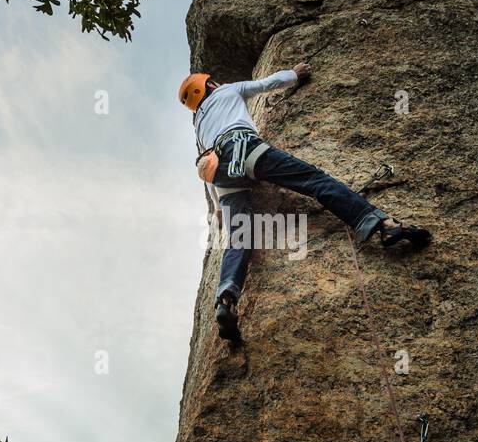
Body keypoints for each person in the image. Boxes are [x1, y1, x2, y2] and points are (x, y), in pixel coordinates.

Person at [179, 64, 431, 341]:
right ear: (209, 86)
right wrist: (294, 75)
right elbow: (264, 84)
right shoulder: (226, 91)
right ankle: (383, 224)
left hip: (219, 172)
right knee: (313, 181)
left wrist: (216, 208)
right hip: (245, 149)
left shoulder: (199, 126)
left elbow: (208, 169)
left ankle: (226, 298)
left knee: (240, 237)